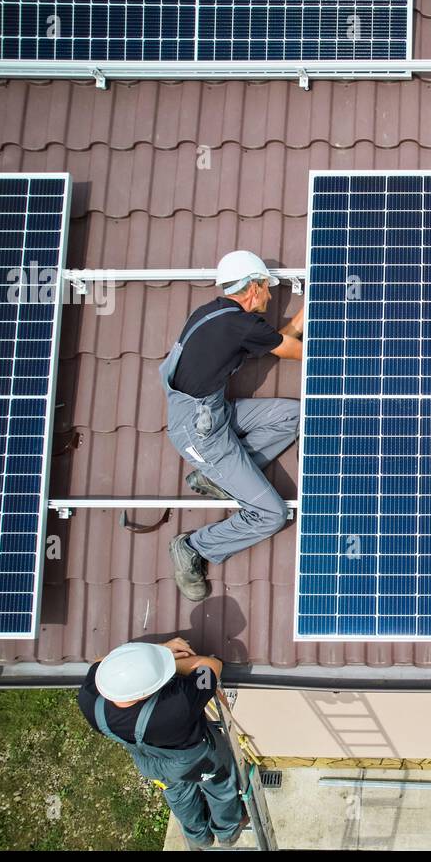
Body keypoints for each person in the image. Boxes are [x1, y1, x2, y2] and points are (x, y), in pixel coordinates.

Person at [163, 250, 306, 600]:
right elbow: (293, 350)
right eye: (267, 288)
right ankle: (194, 546)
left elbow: (274, 343)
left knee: (293, 415)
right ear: (253, 288)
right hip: (200, 433)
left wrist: (307, 312)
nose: (270, 295)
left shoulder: (215, 315)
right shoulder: (238, 324)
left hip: (214, 412)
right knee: (270, 515)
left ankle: (216, 477)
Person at [77, 638, 246, 850]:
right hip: (193, 762)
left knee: (178, 794)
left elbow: (105, 663)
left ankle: (199, 837)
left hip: (147, 762)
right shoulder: (176, 705)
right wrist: (167, 661)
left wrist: (151, 657)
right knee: (220, 787)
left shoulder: (89, 699)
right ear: (144, 693)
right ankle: (228, 831)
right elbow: (211, 666)